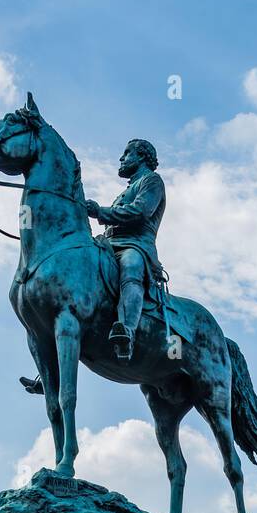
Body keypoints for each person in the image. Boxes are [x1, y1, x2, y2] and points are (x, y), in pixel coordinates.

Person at [85, 139, 166, 361]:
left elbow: (141, 211)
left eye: (127, 153)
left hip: (135, 244)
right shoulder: (126, 190)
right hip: (109, 244)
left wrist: (101, 211)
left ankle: (127, 331)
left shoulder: (152, 181)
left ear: (141, 156)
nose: (121, 158)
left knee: (131, 268)